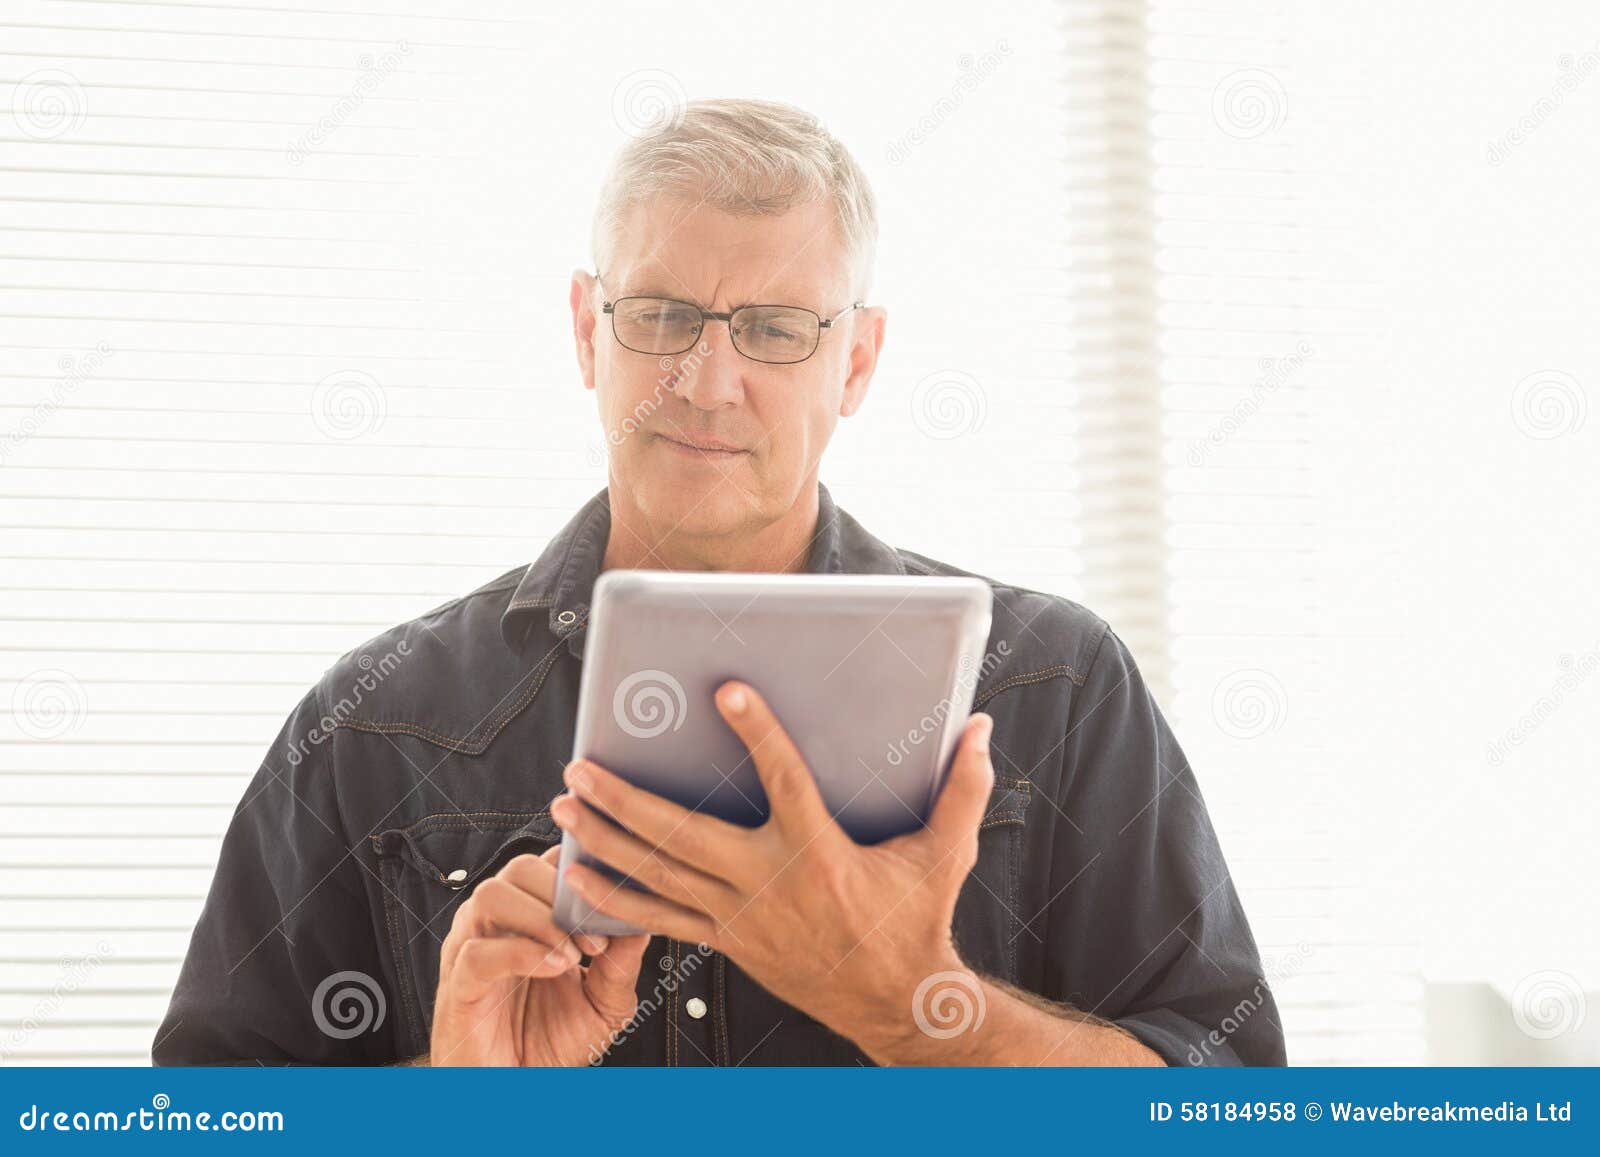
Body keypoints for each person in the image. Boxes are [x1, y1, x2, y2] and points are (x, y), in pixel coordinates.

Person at [153, 98, 1285, 1067]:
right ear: (589, 333)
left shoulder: (1055, 686)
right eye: (661, 317)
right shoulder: (376, 720)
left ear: (857, 360)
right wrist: (457, 1097)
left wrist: (924, 1014)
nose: (707, 380)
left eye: (777, 329)